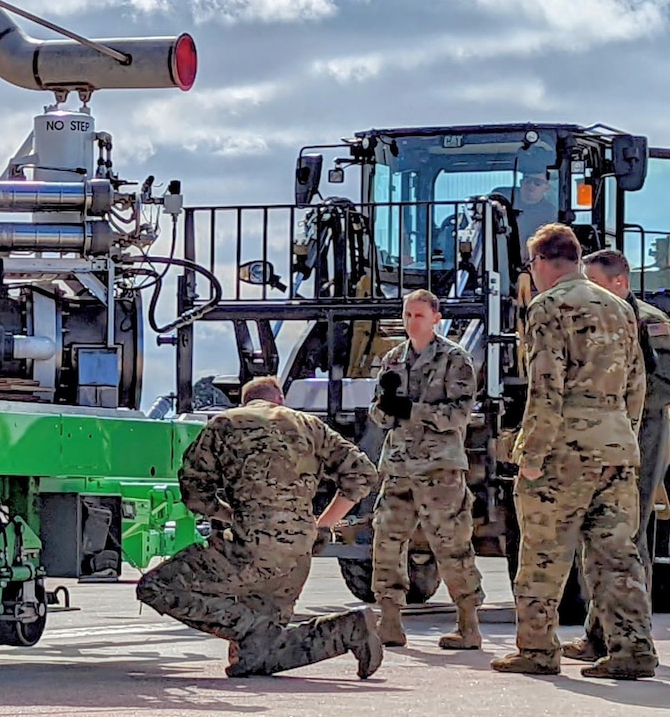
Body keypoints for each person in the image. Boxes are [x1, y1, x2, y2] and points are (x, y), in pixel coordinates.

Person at [492, 222, 658, 679]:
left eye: (532, 265)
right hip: (616, 445)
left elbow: (546, 386)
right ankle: (632, 647)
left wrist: (530, 454)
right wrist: (622, 434)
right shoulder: (621, 308)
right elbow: (637, 385)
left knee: (543, 553)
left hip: (565, 447)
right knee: (616, 554)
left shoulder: (548, 307)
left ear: (542, 263)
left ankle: (538, 649)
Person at [138, 375, 382, 678]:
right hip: (298, 555)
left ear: (246, 402)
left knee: (156, 587)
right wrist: (321, 526)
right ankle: (348, 630)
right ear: (279, 399)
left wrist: (228, 515)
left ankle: (254, 628)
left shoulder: (224, 424)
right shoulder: (309, 425)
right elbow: (362, 474)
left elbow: (194, 493)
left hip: (248, 551)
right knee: (255, 660)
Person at [567, 248, 670, 662]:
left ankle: (632, 637)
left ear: (620, 283)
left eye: (597, 284)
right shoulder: (590, 322)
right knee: (598, 536)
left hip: (643, 436)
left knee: (628, 537)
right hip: (602, 436)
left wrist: (620, 400)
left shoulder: (650, 322)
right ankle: (599, 634)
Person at [369, 290, 484, 651]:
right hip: (399, 465)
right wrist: (387, 407)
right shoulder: (392, 359)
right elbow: (379, 414)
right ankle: (389, 620)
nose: (411, 322)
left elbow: (458, 416)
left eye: (418, 315)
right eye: (406, 315)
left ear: (436, 318)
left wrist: (412, 410)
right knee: (386, 540)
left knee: (450, 543)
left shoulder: (455, 360)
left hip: (439, 468)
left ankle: (468, 623)